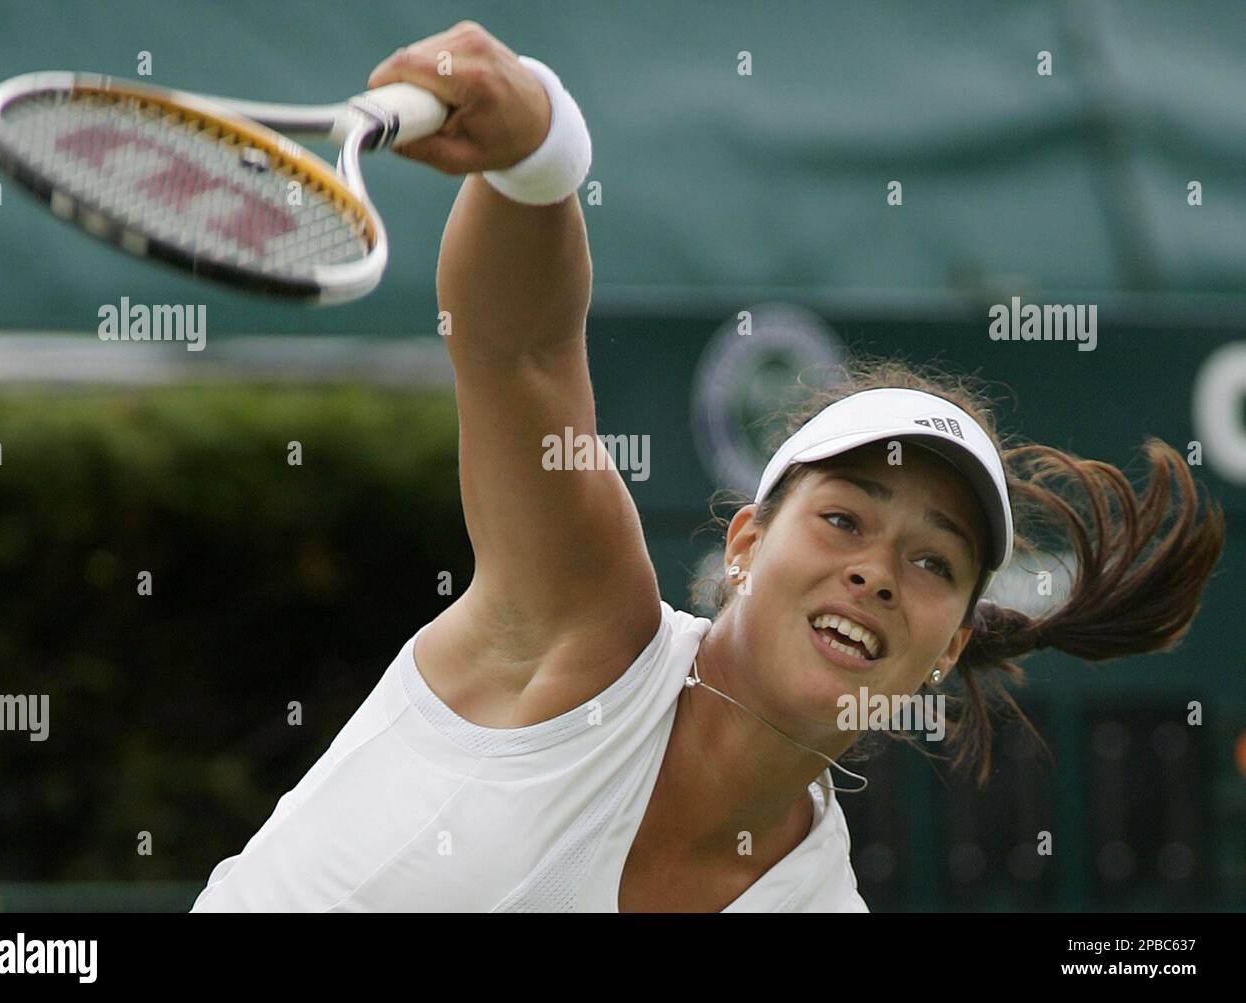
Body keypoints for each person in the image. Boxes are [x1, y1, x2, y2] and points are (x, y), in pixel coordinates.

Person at [190, 22, 1225, 913]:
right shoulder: (585, 630)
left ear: (946, 649)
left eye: (931, 563)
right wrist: (540, 151)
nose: (873, 570)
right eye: (843, 519)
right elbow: (520, 353)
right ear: (744, 543)